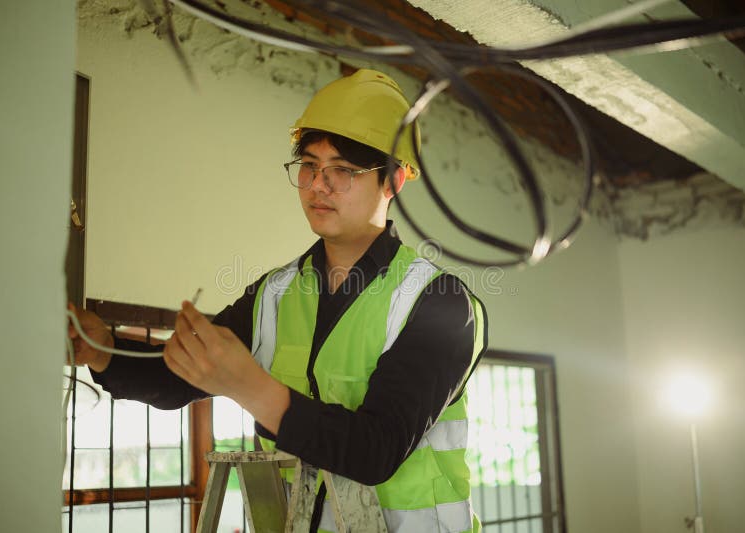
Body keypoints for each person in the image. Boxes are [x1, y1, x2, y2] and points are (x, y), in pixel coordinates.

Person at [69, 68, 488, 532]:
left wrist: (248, 386)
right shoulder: (275, 293)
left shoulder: (439, 303)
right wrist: (102, 349)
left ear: (393, 181)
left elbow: (375, 450)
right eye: (309, 166)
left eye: (343, 171)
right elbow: (179, 377)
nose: (318, 185)